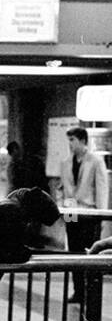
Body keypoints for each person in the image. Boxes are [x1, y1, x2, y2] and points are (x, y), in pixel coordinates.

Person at [60, 127, 110, 309]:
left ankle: (89, 291)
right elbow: (61, 187)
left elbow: (102, 188)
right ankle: (78, 290)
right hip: (72, 212)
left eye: (72, 140)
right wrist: (62, 206)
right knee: (74, 249)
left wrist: (102, 215)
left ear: (82, 140)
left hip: (89, 212)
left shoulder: (96, 161)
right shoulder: (65, 162)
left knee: (89, 250)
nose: (70, 144)